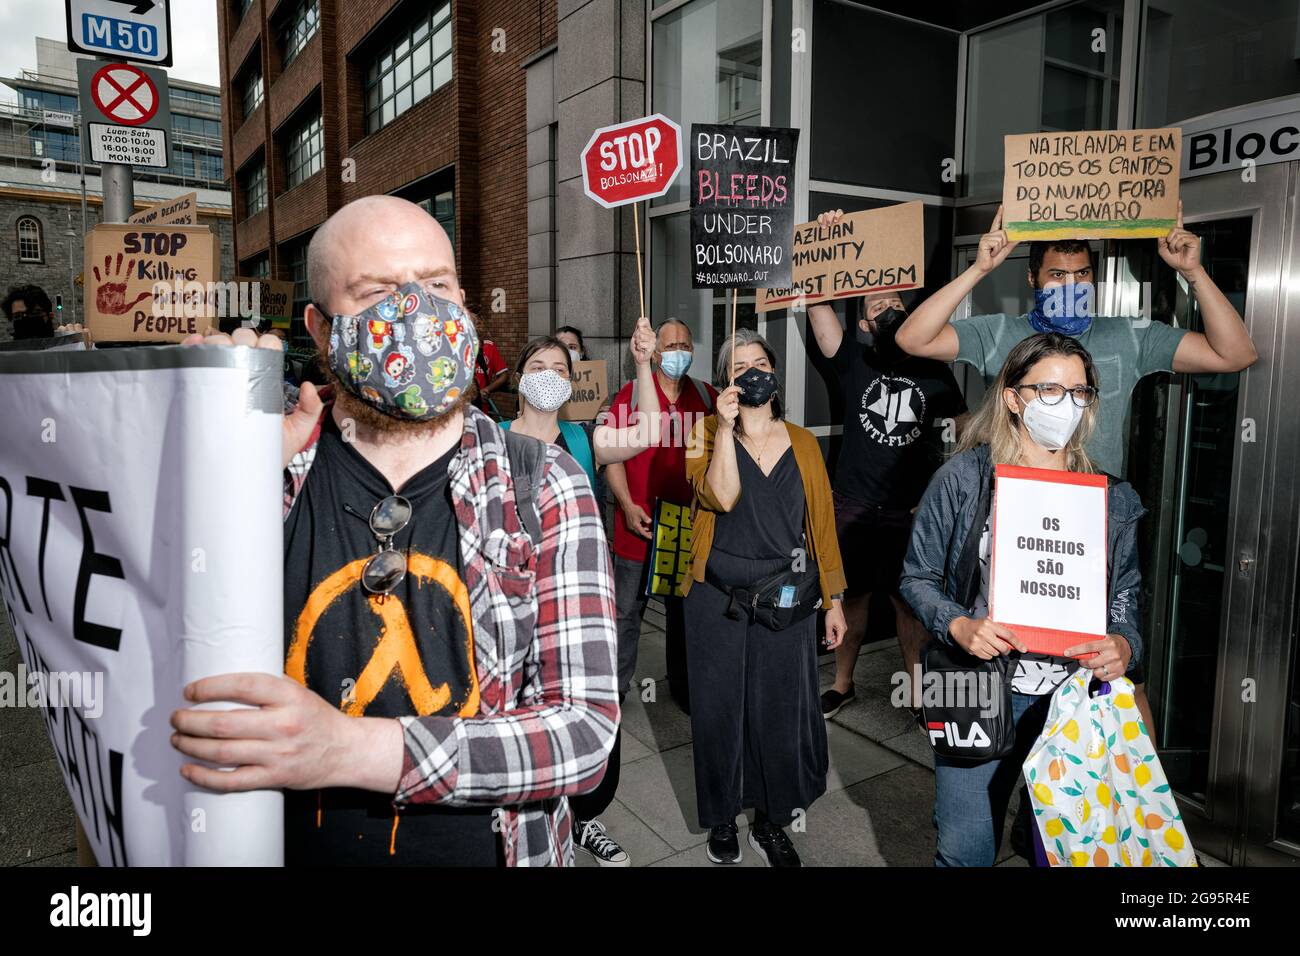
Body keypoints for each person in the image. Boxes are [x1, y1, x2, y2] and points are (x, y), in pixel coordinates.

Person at [169, 195, 619, 867]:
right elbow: (147, 648)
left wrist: (346, 749)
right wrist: (215, 450)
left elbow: (583, 735)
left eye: (437, 287)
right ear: (321, 329)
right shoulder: (270, 472)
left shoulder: (542, 484)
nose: (417, 313)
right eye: (378, 291)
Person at [895, 201, 1255, 733]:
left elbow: (1235, 354)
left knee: (1112, 674)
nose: (1072, 282)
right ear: (1034, 278)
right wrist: (978, 268)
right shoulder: (1002, 333)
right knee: (1006, 663)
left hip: (1094, 532)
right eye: (1058, 274)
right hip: (1010, 526)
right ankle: (989, 766)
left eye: (1082, 273)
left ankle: (1097, 797)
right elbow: (912, 338)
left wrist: (1193, 272)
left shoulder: (1130, 335)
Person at [899, 332, 1145, 867]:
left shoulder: (1111, 497)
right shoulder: (964, 479)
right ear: (1013, 397)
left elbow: (1125, 593)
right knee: (964, 849)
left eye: (1080, 392)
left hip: (1070, 699)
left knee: (1061, 850)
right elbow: (916, 577)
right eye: (1050, 389)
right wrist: (956, 624)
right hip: (976, 685)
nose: (1068, 405)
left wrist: (1125, 644)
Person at [682, 329, 847, 867]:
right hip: (716, 599)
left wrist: (836, 599)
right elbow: (721, 495)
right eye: (738, 365)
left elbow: (820, 524)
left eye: (760, 362)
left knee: (779, 712)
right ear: (724, 381)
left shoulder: (803, 442)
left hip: (787, 600)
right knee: (719, 712)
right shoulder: (702, 434)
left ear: (774, 374)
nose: (751, 371)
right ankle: (724, 818)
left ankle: (772, 822)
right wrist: (726, 430)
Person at [501, 319, 659, 866]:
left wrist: (643, 364)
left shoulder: (583, 440)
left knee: (581, 705)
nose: (548, 377)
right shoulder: (491, 438)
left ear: (572, 383)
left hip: (572, 609)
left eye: (559, 370)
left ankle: (584, 818)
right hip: (508, 605)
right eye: (537, 368)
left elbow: (647, 432)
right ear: (518, 379)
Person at [808, 210, 968, 721]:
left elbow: (965, 429)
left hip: (910, 510)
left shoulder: (933, 367)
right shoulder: (852, 358)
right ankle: (843, 682)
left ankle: (919, 696)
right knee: (851, 598)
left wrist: (945, 490)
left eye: (896, 303)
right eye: (878, 306)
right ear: (862, 322)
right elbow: (817, 308)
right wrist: (826, 243)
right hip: (852, 503)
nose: (888, 311)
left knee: (909, 605)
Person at [604, 319, 716, 713]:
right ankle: (613, 693)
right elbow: (611, 458)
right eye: (669, 346)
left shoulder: (706, 396)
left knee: (684, 616)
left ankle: (683, 689)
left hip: (687, 527)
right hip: (637, 524)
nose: (677, 353)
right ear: (654, 352)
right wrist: (626, 504)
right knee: (625, 614)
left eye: (684, 344)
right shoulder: (632, 395)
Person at [472, 313, 510, 416]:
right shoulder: (457, 349)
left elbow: (504, 375)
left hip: (482, 408)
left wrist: (487, 389)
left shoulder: (489, 347)